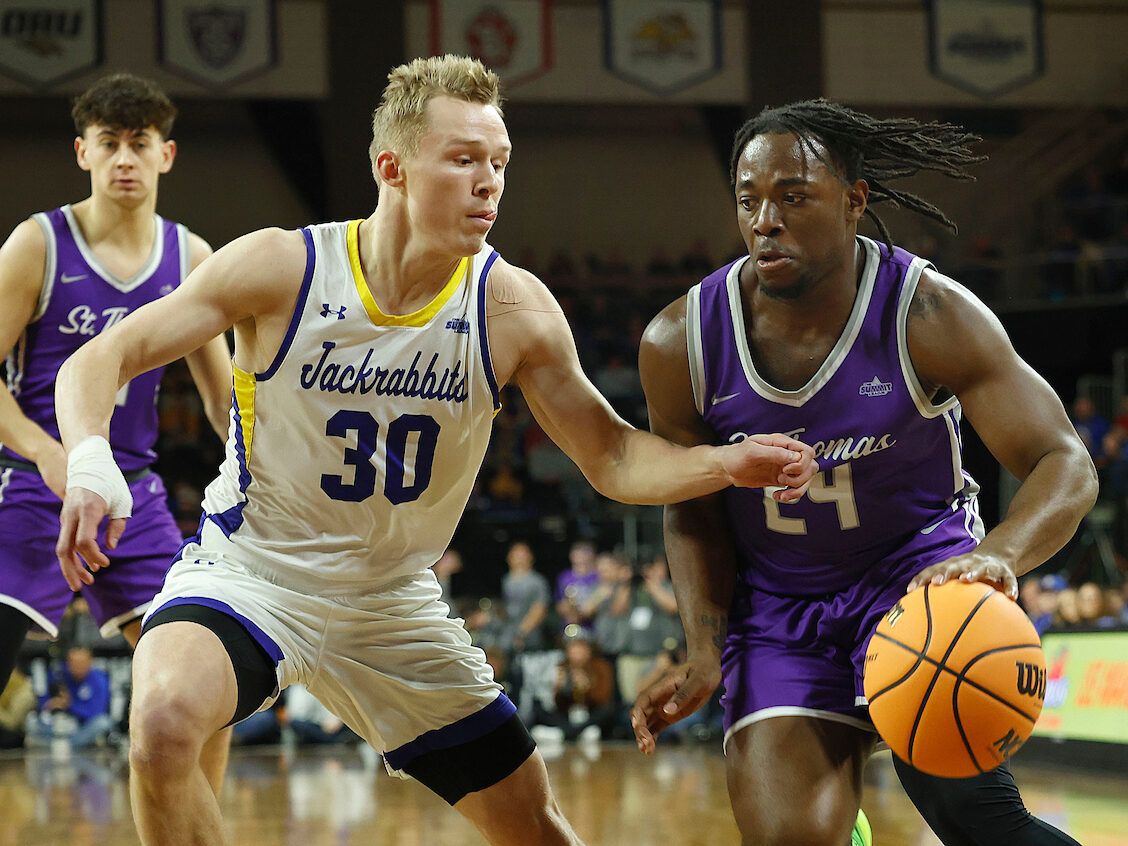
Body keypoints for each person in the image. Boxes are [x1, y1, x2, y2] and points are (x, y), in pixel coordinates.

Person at [53, 56, 815, 846]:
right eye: (463, 160)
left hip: (391, 602)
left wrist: (724, 464)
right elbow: (97, 358)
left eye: (499, 163)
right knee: (164, 723)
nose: (489, 182)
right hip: (256, 573)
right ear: (392, 168)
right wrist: (89, 465)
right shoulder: (284, 266)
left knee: (538, 828)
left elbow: (613, 457)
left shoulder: (512, 307)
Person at [630, 99, 1095, 846]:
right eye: (749, 200)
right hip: (780, 608)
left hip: (916, 585)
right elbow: (692, 507)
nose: (765, 220)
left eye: (793, 195)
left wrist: (996, 558)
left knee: (977, 821)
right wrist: (703, 647)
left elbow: (1064, 464)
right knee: (791, 840)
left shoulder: (930, 314)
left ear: (854, 203)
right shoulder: (680, 341)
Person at [0, 72, 233, 774]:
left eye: (140, 142)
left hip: (134, 494)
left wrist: (275, 485)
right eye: (110, 143)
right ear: (83, 153)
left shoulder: (191, 259)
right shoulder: (36, 246)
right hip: (33, 483)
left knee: (201, 683)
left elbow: (227, 403)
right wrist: (45, 453)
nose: (125, 158)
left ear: (167, 155)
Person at [28, 645, 112, 750]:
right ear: (68, 663)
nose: (77, 667)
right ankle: (61, 745)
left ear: (90, 662)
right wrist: (48, 704)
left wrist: (69, 705)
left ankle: (64, 746)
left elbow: (96, 712)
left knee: (103, 723)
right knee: (30, 722)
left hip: (82, 726)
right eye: (73, 663)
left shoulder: (99, 680)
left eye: (81, 663)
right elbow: (42, 696)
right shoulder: (58, 673)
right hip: (57, 723)